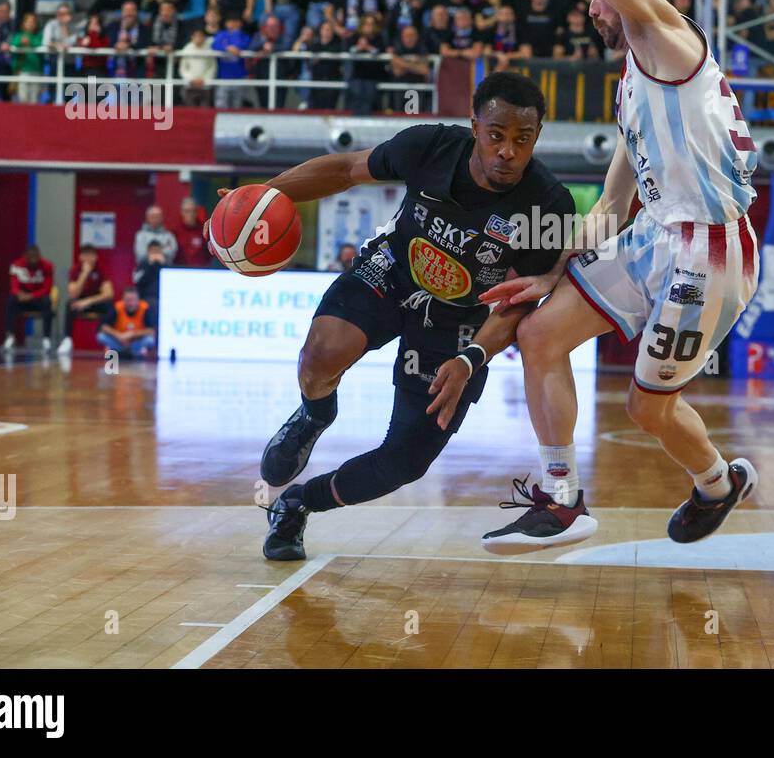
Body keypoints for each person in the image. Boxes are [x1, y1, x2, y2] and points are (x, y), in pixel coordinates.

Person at [473, 0, 761, 552]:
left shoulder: (669, 35)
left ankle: (717, 482)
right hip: (656, 234)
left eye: (596, 1)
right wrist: (548, 275)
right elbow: (610, 205)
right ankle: (561, 497)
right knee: (540, 330)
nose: (591, 13)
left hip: (711, 252)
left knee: (646, 410)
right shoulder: (634, 80)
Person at [233, 72, 576, 561]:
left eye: (522, 139)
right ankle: (315, 413)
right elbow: (346, 169)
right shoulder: (431, 145)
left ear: (536, 137)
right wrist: (261, 199)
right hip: (393, 272)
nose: (507, 151)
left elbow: (519, 300)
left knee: (404, 463)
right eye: (496, 135)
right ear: (474, 125)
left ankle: (296, 503)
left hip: (459, 324)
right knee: (321, 356)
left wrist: (473, 357)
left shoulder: (548, 204)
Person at [57, 243, 114, 355]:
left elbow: (109, 293)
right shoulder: (75, 270)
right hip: (79, 302)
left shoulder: (100, 270)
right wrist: (84, 273)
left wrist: (88, 301)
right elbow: (73, 294)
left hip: (94, 302)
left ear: (95, 257)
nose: (88, 258)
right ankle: (67, 339)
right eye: (85, 255)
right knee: (70, 304)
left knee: (110, 306)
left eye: (91, 255)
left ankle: (106, 340)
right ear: (80, 257)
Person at [3, 244, 55, 352]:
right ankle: (10, 336)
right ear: (25, 256)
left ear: (39, 256)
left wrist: (32, 296)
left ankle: (46, 338)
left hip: (38, 298)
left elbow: (47, 288)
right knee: (11, 300)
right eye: (30, 257)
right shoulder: (16, 265)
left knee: (47, 301)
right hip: (22, 299)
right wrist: (19, 294)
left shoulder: (47, 266)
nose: (33, 260)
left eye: (35, 257)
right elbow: (13, 286)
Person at [97, 286, 156, 359]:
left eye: (133, 300)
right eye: (128, 300)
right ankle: (119, 350)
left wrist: (132, 334)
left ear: (138, 300)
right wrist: (118, 335)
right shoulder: (117, 307)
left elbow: (151, 331)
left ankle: (136, 351)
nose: (130, 303)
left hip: (136, 342)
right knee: (101, 336)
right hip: (119, 341)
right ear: (123, 300)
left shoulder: (145, 308)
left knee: (149, 340)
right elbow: (103, 327)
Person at [173, 197, 212, 267]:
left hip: (201, 271)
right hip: (180, 271)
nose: (190, 214)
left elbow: (210, 253)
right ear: (181, 212)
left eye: (192, 211)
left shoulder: (204, 230)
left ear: (196, 212)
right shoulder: (176, 232)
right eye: (187, 211)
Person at [133, 240, 167, 309]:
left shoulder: (166, 265)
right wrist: (150, 265)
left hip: (164, 297)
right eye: (153, 251)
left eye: (157, 251)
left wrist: (163, 266)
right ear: (148, 252)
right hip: (146, 297)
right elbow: (136, 280)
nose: (155, 254)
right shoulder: (142, 265)